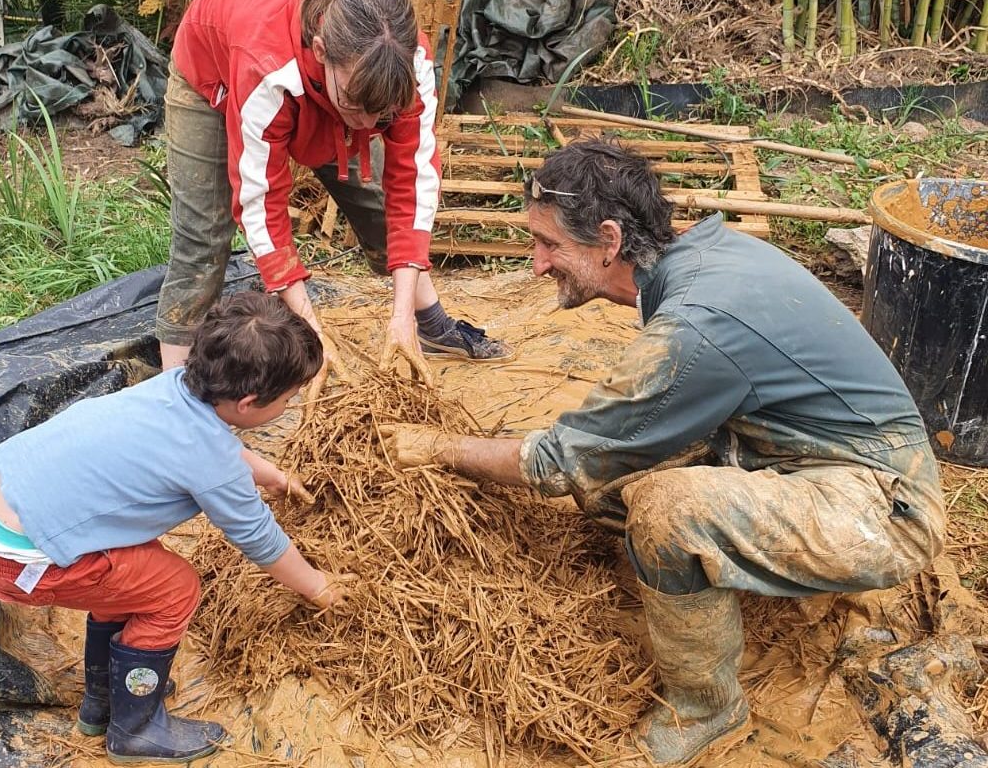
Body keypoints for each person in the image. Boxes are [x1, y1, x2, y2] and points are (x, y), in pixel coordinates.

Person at [381, 139, 945, 764]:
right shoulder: (701, 255)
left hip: (882, 504)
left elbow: (556, 461)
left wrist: (436, 447)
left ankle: (707, 706)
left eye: (549, 245)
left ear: (609, 239)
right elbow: (622, 434)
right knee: (613, 478)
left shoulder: (695, 327)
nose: (537, 263)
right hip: (800, 451)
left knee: (664, 511)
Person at [0, 292, 354, 765]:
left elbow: (203, 445)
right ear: (250, 403)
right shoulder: (210, 460)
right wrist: (318, 588)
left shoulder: (171, 388)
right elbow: (259, 538)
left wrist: (267, 473)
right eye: (289, 398)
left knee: (136, 572)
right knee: (174, 589)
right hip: (29, 557)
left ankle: (103, 700)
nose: (290, 406)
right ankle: (136, 729)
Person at [157, 0, 512, 392]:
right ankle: (173, 390)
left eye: (381, 114)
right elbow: (260, 202)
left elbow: (412, 184)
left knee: (383, 205)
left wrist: (397, 316)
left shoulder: (404, 59)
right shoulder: (267, 68)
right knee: (203, 235)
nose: (367, 126)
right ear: (322, 52)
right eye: (357, 108)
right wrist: (314, 333)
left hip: (328, 85)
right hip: (213, 71)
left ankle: (427, 324)